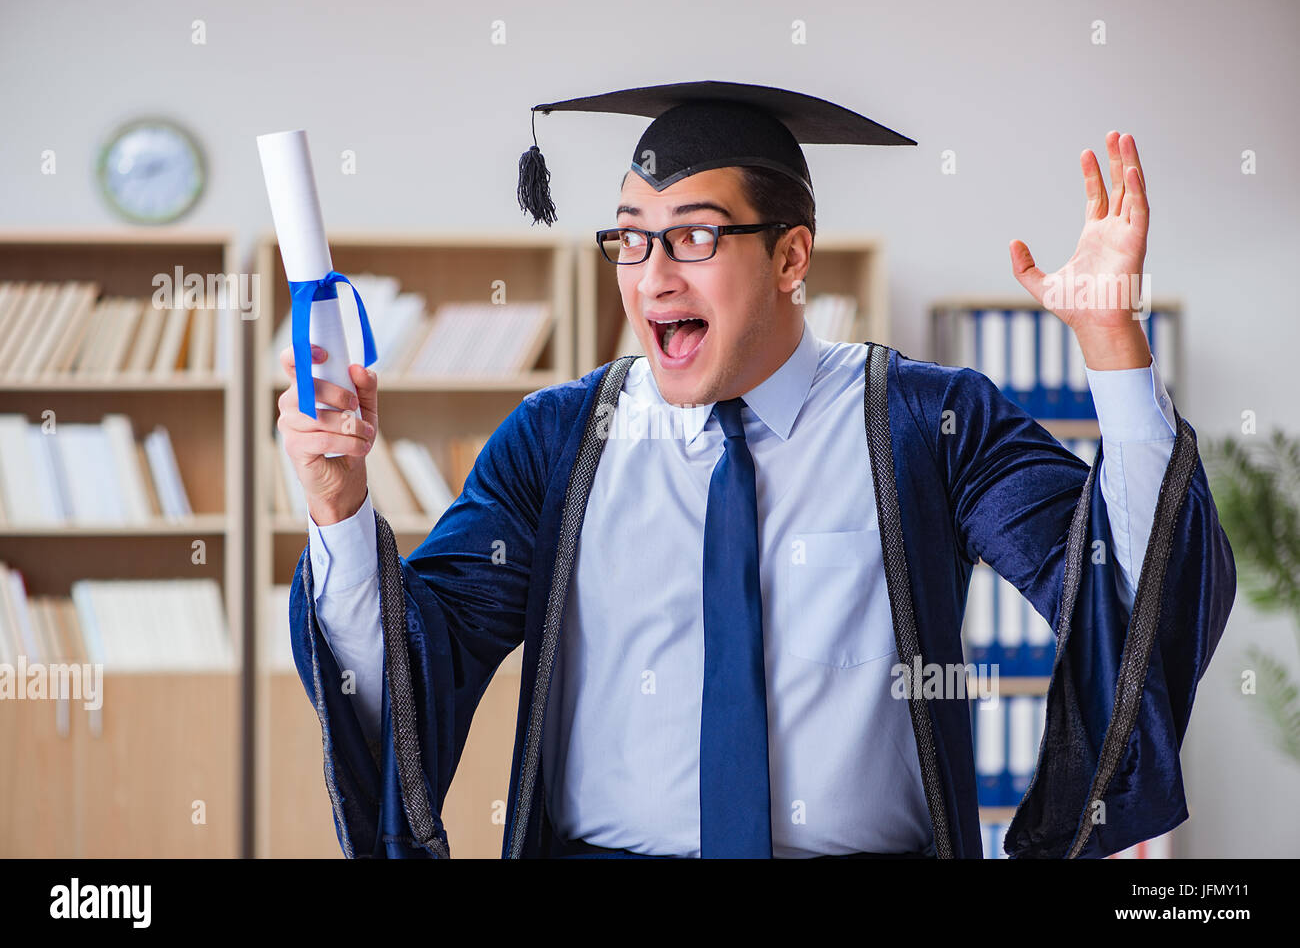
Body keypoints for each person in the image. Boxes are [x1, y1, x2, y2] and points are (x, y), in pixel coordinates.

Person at [279, 82, 1235, 859]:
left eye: (695, 237)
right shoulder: (556, 441)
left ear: (791, 256)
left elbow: (1132, 591)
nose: (654, 275)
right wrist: (339, 508)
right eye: (631, 236)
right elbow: (403, 676)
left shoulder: (929, 422)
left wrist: (1113, 350)